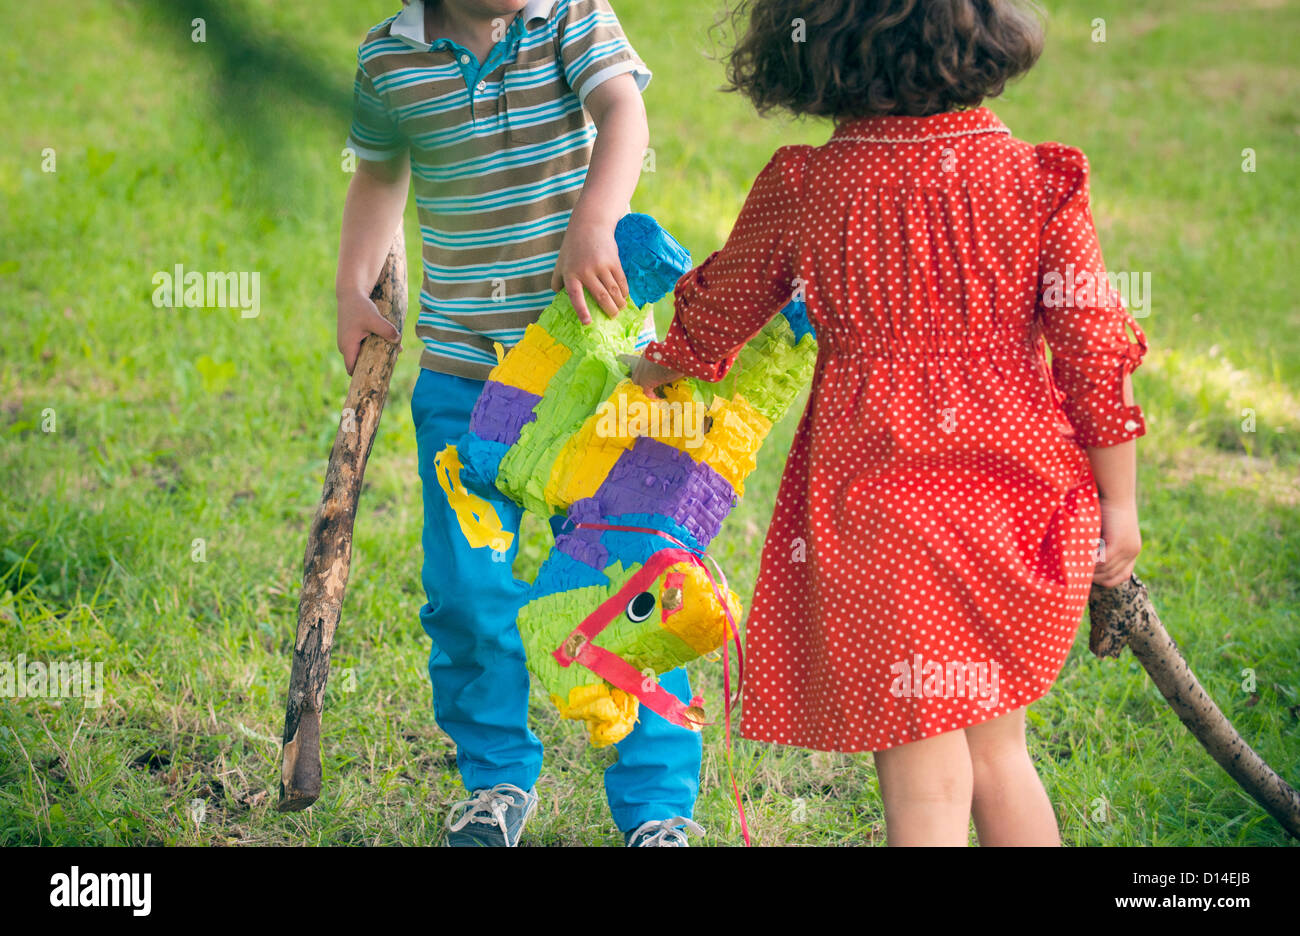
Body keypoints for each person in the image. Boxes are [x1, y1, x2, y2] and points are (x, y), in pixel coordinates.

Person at [632, 0, 1147, 846]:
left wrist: (654, 365)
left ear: (814, 47)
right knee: (996, 754)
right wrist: (1119, 506)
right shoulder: (1036, 180)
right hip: (1016, 504)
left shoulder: (806, 184)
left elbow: (720, 313)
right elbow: (1094, 349)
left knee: (923, 777)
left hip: (879, 507)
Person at [336, 0, 703, 847]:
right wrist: (354, 286)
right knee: (467, 590)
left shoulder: (572, 16)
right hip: (466, 378)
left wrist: (595, 220)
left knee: (634, 579)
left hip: (604, 375)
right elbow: (381, 174)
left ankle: (656, 807)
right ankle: (495, 778)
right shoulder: (390, 60)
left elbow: (623, 109)